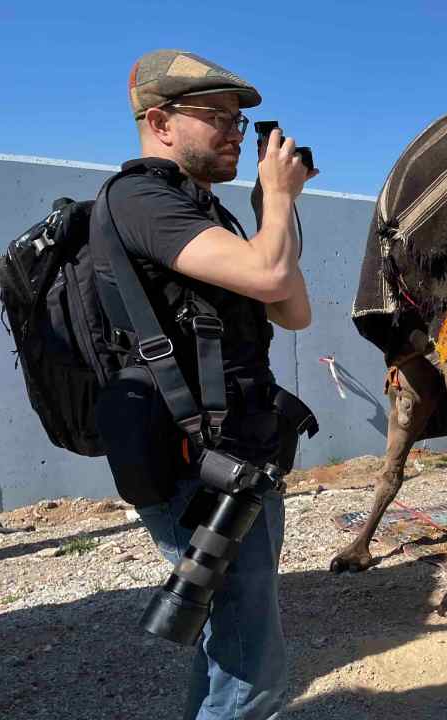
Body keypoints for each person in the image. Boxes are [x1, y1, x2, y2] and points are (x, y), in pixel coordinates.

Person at [93, 50, 315, 719]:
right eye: (216, 117)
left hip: (237, 459)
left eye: (240, 123)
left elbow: (292, 309)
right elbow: (273, 281)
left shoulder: (204, 212)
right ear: (160, 122)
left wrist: (275, 210)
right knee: (252, 666)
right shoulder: (142, 199)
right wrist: (275, 198)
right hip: (192, 464)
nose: (236, 134)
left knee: (232, 641)